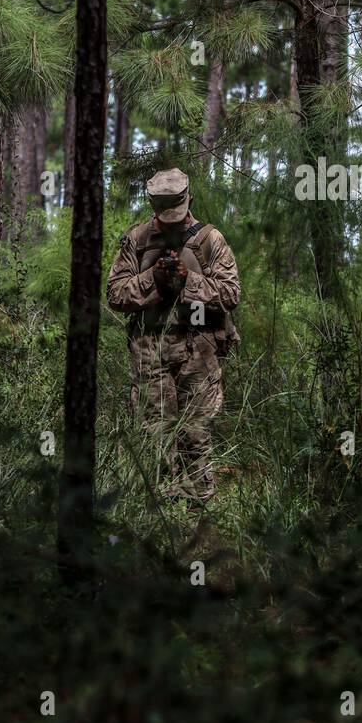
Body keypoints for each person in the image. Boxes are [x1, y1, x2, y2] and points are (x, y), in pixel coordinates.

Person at [106, 169, 241, 503]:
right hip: (150, 351)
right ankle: (164, 512)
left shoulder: (210, 240)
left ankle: (199, 508)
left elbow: (230, 294)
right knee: (157, 434)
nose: (170, 223)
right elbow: (115, 294)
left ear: (188, 200)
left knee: (195, 433)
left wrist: (188, 282)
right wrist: (153, 278)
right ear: (152, 206)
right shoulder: (136, 241)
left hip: (200, 350)